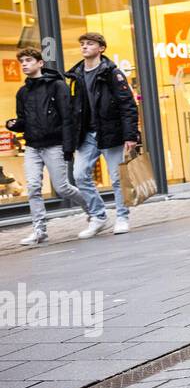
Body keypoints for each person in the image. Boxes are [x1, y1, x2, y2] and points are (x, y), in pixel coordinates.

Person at [7, 48, 94, 246]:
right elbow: (23, 120)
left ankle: (94, 211)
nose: (24, 64)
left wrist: (68, 147)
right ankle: (39, 230)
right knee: (33, 188)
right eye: (22, 62)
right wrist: (13, 125)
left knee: (62, 188)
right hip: (32, 147)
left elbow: (67, 118)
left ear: (40, 63)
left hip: (54, 145)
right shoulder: (22, 92)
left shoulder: (57, 86)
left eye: (28, 60)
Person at [66, 32, 140, 237]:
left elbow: (128, 105)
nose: (84, 47)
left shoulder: (112, 73)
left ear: (101, 48)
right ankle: (99, 216)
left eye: (89, 44)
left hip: (111, 132)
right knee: (79, 175)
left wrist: (130, 135)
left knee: (117, 178)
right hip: (87, 135)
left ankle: (122, 217)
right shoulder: (76, 75)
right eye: (82, 44)